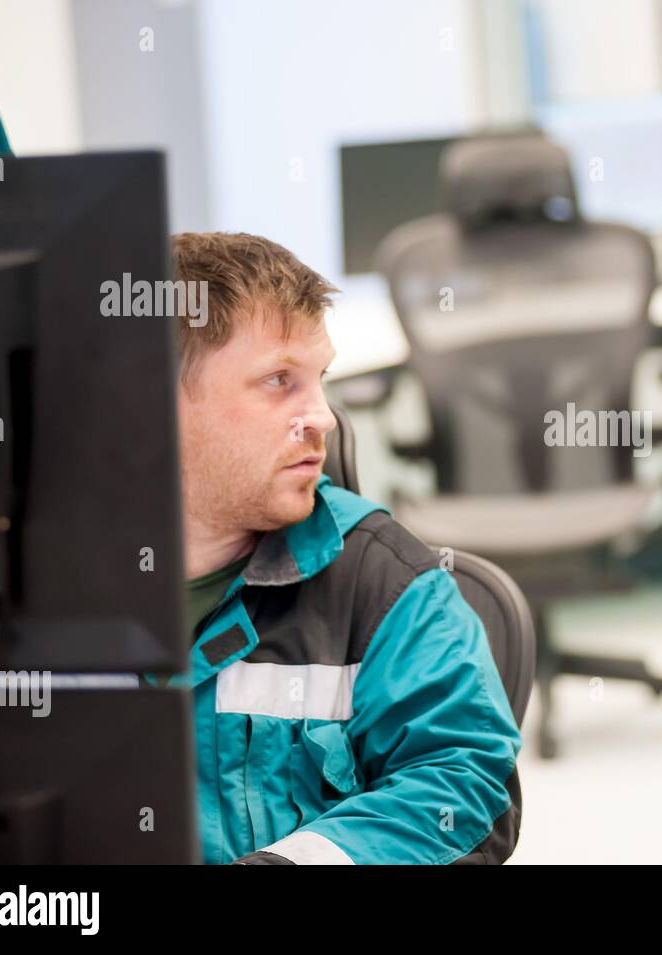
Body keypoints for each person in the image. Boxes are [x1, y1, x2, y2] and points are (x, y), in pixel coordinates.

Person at [171, 231, 521, 864]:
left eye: (319, 379)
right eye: (279, 380)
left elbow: (463, 784)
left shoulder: (387, 585)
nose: (324, 417)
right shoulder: (26, 589)